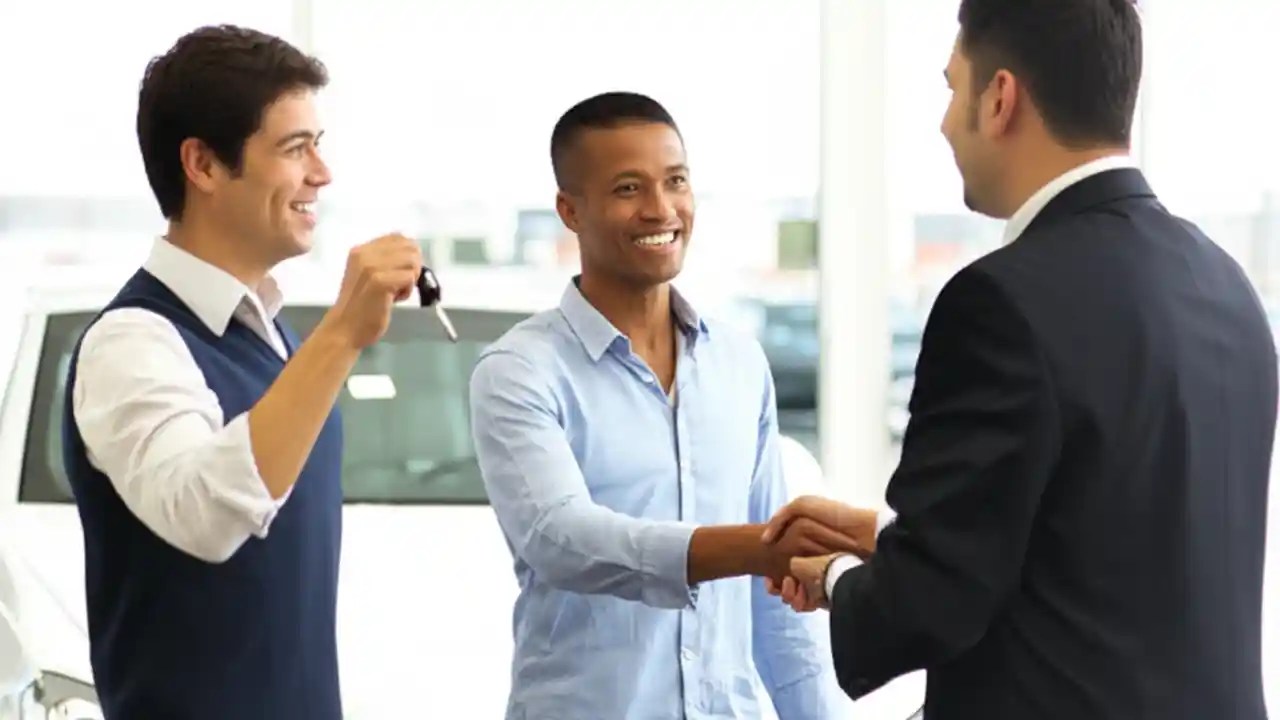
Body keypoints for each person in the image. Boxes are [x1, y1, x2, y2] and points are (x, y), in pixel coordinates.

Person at [763, 1, 1276, 718]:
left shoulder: (999, 303)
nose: (944, 123)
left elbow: (930, 604)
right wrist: (887, 536)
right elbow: (1104, 542)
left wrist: (838, 578)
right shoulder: (1225, 283)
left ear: (1000, 97)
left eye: (951, 87)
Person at [61, 25, 423, 719]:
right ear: (201, 164)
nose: (322, 172)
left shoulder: (272, 337)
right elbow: (206, 513)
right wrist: (342, 333)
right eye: (295, 147)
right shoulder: (132, 341)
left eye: (318, 144)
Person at [468, 91, 854, 719]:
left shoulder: (738, 363)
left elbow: (775, 603)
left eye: (675, 181)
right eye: (628, 188)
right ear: (570, 210)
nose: (661, 209)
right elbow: (561, 538)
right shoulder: (519, 371)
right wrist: (755, 547)